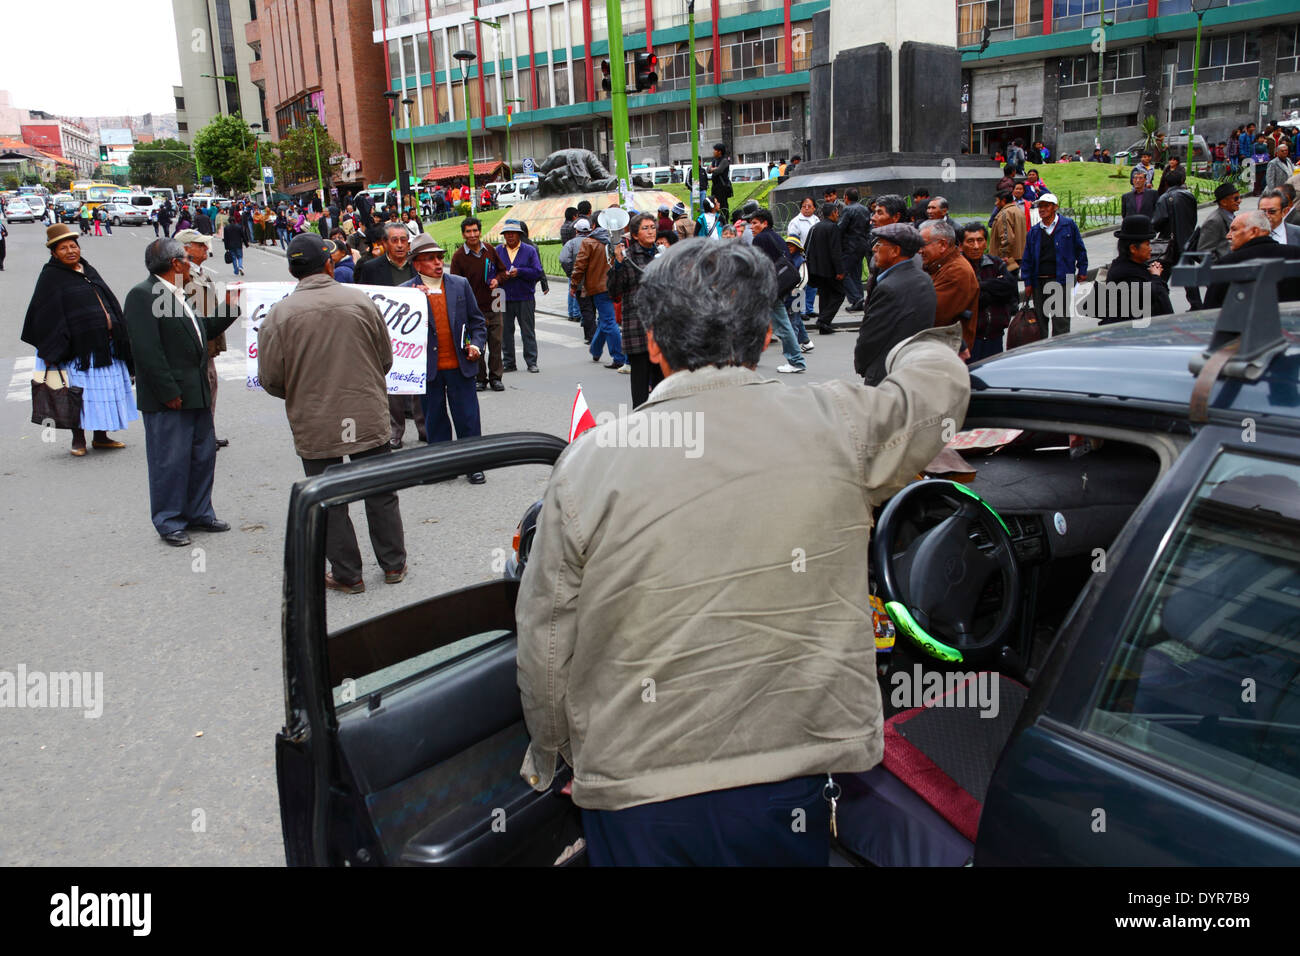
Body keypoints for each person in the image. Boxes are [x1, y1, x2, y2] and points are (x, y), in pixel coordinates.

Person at [516, 238, 970, 867]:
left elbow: (547, 637)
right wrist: (920, 341)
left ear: (653, 344)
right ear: (763, 339)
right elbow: (935, 392)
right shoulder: (840, 421)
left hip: (636, 784)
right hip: (788, 772)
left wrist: (552, 750)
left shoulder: (588, 462)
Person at [257, 233, 407, 591]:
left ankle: (347, 574)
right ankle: (393, 565)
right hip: (365, 410)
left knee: (328, 498)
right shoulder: (359, 300)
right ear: (328, 264)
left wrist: (300, 395)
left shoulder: (279, 314)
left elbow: (271, 378)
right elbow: (384, 357)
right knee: (380, 489)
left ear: (294, 272)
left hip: (315, 419)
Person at [122, 238, 240, 546]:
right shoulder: (142, 295)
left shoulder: (177, 294)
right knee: (169, 461)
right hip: (171, 397)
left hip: (196, 390)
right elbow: (147, 351)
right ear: (175, 264)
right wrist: (168, 391)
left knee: (202, 456)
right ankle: (169, 520)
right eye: (187, 259)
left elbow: (200, 330)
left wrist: (232, 307)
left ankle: (199, 512)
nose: (191, 264)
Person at [20, 223, 137, 457]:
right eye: (63, 248)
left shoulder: (88, 271)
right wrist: (56, 346)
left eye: (73, 246)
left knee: (103, 393)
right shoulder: (51, 277)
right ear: (54, 253)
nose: (70, 251)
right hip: (77, 351)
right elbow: (43, 315)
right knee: (78, 394)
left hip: (106, 346)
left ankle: (102, 436)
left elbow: (107, 300)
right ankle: (78, 439)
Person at [399, 235, 489, 485]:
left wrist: (477, 346)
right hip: (428, 368)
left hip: (460, 364)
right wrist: (414, 301)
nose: (438, 263)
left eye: (439, 257)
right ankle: (442, 466)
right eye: (430, 259)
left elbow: (477, 322)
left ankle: (474, 465)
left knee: (468, 417)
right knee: (434, 418)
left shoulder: (459, 284)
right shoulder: (406, 292)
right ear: (417, 265)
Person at [356, 222, 427, 447]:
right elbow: (362, 299)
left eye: (403, 240)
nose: (399, 245)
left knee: (419, 383)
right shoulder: (370, 268)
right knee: (393, 385)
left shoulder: (419, 265)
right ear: (384, 243)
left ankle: (425, 428)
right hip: (386, 334)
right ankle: (395, 431)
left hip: (416, 333)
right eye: (394, 240)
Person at [854, 223, 937, 386]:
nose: (874, 249)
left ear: (895, 251)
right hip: (913, 366)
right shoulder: (924, 279)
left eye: (879, 244)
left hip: (886, 372)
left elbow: (871, 337)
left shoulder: (888, 287)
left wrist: (861, 365)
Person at [175, 229, 230, 449]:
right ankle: (201, 436)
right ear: (186, 249)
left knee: (211, 385)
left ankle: (207, 432)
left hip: (208, 340)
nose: (206, 248)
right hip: (196, 342)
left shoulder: (198, 271)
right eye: (200, 245)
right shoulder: (180, 275)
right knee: (203, 388)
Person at [451, 215, 509, 392]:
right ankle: (480, 378)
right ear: (463, 235)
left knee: (496, 343)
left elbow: (503, 272)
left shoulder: (490, 250)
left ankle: (496, 378)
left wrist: (497, 280)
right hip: (473, 309)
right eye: (468, 231)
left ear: (480, 232)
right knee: (477, 345)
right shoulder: (459, 257)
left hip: (494, 304)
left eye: (475, 230)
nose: (472, 234)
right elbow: (454, 284)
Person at [747, 207, 807, 374]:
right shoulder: (776, 238)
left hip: (768, 288)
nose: (751, 227)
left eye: (755, 223)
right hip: (779, 286)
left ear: (764, 223)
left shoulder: (760, 239)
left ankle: (796, 360)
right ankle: (751, 355)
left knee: (782, 324)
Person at [1203, 211, 1300, 310]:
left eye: (1234, 229)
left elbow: (1210, 310)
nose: (1228, 236)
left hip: (1244, 324)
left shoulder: (1226, 264)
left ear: (1254, 231)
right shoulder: (1296, 254)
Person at [1021, 193, 1087, 337]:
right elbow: (1027, 258)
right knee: (1040, 319)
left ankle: (1061, 350)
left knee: (1061, 319)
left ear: (1055, 207)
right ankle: (1043, 350)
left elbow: (1080, 249)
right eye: (1040, 206)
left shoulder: (1068, 225)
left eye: (1046, 206)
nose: (1042, 209)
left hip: (1061, 280)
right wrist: (1027, 282)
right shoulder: (1034, 231)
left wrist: (1082, 269)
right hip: (1039, 281)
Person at [1094, 215, 1173, 327]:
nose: (1150, 248)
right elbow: (1152, 295)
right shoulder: (1124, 273)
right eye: (1147, 244)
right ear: (1133, 248)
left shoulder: (1137, 266)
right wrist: (1156, 276)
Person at [958, 223, 1017, 360]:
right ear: (961, 245)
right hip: (970, 338)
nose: (976, 246)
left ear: (986, 243)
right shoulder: (958, 268)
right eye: (970, 241)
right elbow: (968, 299)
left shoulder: (995, 263)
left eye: (980, 240)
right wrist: (995, 289)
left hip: (995, 335)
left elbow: (1010, 287)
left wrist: (981, 286)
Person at [920, 219, 979, 352]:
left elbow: (932, 315)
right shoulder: (938, 266)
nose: (920, 251)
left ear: (942, 245)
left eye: (923, 245)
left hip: (945, 351)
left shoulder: (956, 271)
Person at [496, 219, 545, 373]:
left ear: (519, 235)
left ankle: (531, 361)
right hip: (503, 296)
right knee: (505, 332)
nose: (510, 236)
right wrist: (501, 275)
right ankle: (509, 362)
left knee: (528, 330)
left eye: (513, 233)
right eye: (507, 233)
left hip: (525, 296)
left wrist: (520, 271)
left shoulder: (529, 250)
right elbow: (490, 272)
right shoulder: (498, 251)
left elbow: (537, 271)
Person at [1151, 167, 1200, 308]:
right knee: (1188, 276)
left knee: (1161, 276)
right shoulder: (1189, 196)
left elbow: (1158, 221)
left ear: (1166, 182)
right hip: (1186, 242)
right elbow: (1193, 219)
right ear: (1182, 180)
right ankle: (1196, 305)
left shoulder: (1164, 198)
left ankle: (1158, 304)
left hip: (1168, 245)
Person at [804, 202, 846, 334]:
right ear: (833, 213)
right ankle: (823, 319)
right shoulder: (833, 228)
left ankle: (824, 325)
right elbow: (836, 251)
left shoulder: (815, 227)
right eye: (836, 212)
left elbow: (807, 247)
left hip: (816, 268)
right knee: (839, 294)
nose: (838, 215)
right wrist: (840, 270)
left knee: (824, 294)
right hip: (829, 269)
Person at [836, 187, 872, 313]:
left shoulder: (847, 210)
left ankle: (856, 299)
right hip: (862, 245)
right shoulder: (865, 209)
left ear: (846, 197)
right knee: (856, 273)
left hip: (850, 246)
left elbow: (841, 227)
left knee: (843, 273)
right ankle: (860, 299)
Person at [787, 196, 820, 319]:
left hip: (814, 256)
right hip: (800, 256)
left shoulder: (816, 220)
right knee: (801, 283)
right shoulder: (795, 222)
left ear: (814, 208)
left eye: (809, 206)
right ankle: (800, 310)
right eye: (804, 206)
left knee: (812, 284)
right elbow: (793, 240)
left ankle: (809, 308)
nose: (806, 209)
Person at [1194, 183, 1241, 261]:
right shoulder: (1213, 221)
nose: (1240, 201)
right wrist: (1220, 267)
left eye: (1239, 197)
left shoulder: (1230, 216)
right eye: (1236, 198)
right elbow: (1204, 252)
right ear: (1224, 202)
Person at [989, 189, 1027, 281]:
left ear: (1003, 201)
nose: (995, 203)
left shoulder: (1004, 214)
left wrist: (1003, 256)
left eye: (997, 200)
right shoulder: (1018, 211)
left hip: (1007, 260)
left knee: (1006, 288)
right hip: (1017, 257)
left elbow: (1007, 237)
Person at [559, 216, 588, 328]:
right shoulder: (590, 242)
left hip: (574, 272)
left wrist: (570, 272)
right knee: (581, 293)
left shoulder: (571, 243)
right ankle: (577, 314)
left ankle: (572, 313)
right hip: (585, 274)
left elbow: (564, 259)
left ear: (576, 231)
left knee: (572, 291)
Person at [707, 142, 733, 221]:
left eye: (715, 150)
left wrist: (713, 169)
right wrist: (712, 169)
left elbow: (719, 170)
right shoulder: (714, 160)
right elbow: (708, 169)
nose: (713, 152)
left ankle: (724, 219)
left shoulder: (724, 160)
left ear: (719, 152)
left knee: (723, 204)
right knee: (714, 202)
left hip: (722, 187)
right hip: (715, 186)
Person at [222, 210, 247, 276]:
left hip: (230, 245)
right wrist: (246, 243)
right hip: (238, 244)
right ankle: (240, 266)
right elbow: (243, 236)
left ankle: (236, 270)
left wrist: (226, 247)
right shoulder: (239, 227)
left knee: (233, 258)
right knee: (240, 256)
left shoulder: (226, 228)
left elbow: (225, 238)